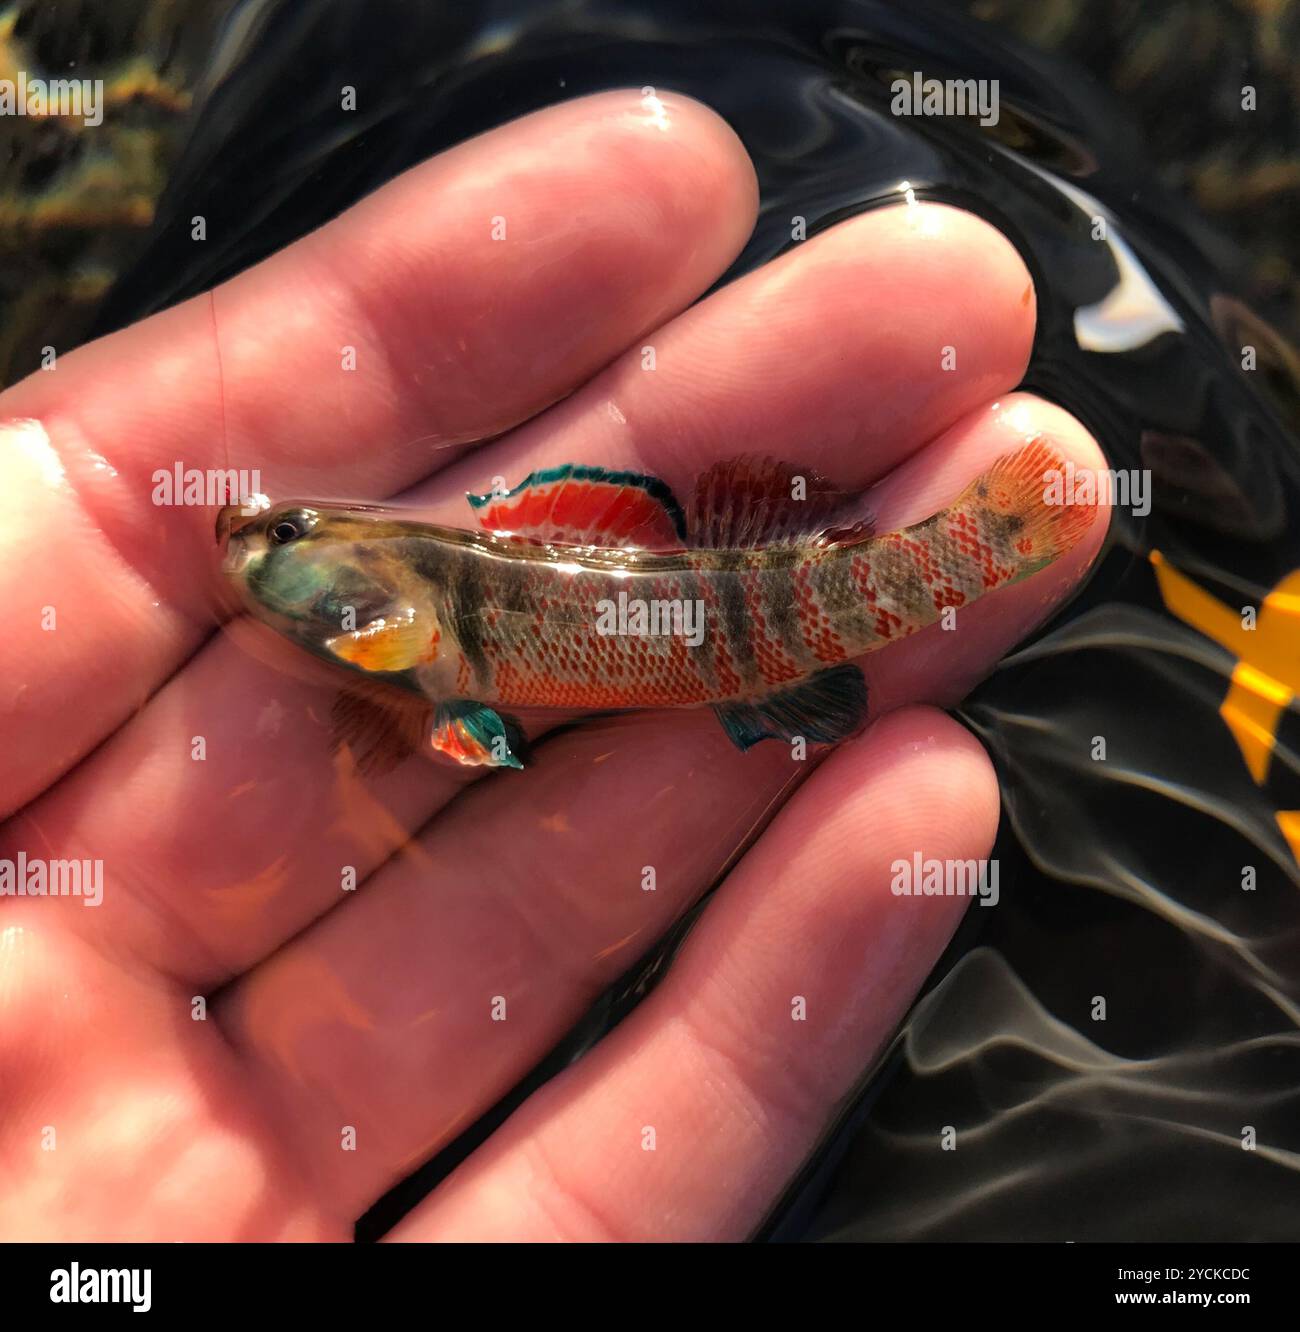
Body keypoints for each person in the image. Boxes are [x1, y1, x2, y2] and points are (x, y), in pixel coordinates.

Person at [0, 90, 1106, 1240]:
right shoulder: (414, 634)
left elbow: (448, 709)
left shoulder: (413, 625)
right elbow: (448, 709)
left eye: (284, 539)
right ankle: (994, 539)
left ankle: (994, 537)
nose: (258, 543)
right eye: (281, 540)